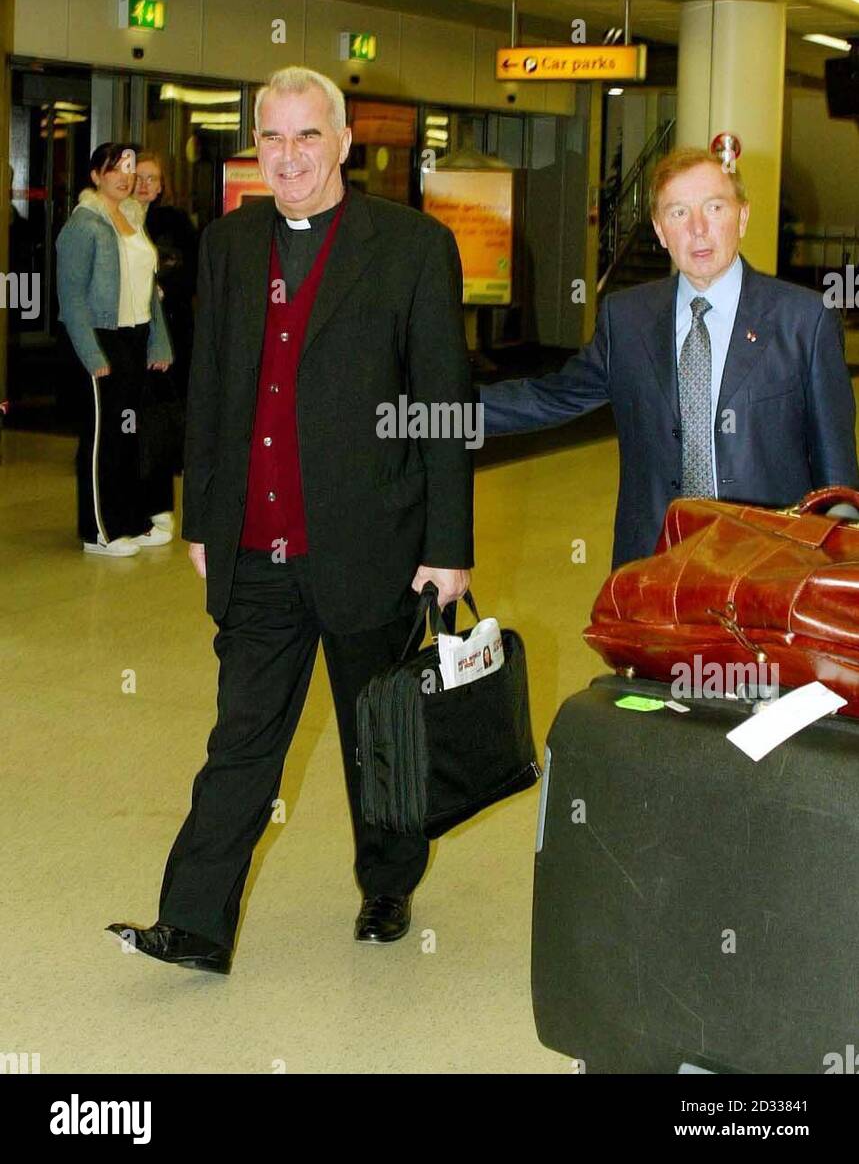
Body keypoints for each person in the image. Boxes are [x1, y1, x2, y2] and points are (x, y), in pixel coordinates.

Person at [107, 67, 474, 973]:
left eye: (308, 136)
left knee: (375, 738)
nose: (290, 156)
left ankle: (386, 881)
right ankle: (194, 923)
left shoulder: (412, 247)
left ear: (345, 143)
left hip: (372, 546)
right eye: (272, 138)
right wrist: (204, 517)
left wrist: (447, 546)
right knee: (240, 739)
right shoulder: (232, 247)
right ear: (255, 148)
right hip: (260, 549)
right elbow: (215, 390)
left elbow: (442, 404)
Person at [480, 146, 859, 569]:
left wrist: (836, 575)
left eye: (714, 207)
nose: (698, 229)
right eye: (678, 213)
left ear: (743, 216)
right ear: (660, 231)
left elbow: (838, 479)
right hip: (656, 568)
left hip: (771, 571)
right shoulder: (627, 318)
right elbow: (549, 397)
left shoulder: (803, 320)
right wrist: (443, 413)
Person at [56, 143, 174, 557]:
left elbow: (149, 291)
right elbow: (70, 299)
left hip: (135, 337)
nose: (125, 177)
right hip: (101, 338)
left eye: (129, 169)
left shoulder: (133, 218)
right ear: (95, 176)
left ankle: (130, 520)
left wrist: (157, 339)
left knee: (129, 433)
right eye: (115, 170)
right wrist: (92, 355)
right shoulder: (84, 225)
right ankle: (99, 531)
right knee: (102, 439)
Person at [134, 152, 198, 398]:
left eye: (151, 178)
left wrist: (164, 289)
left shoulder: (175, 220)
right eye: (138, 177)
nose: (143, 184)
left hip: (171, 319)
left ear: (161, 185)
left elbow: (193, 269)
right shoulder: (115, 220)